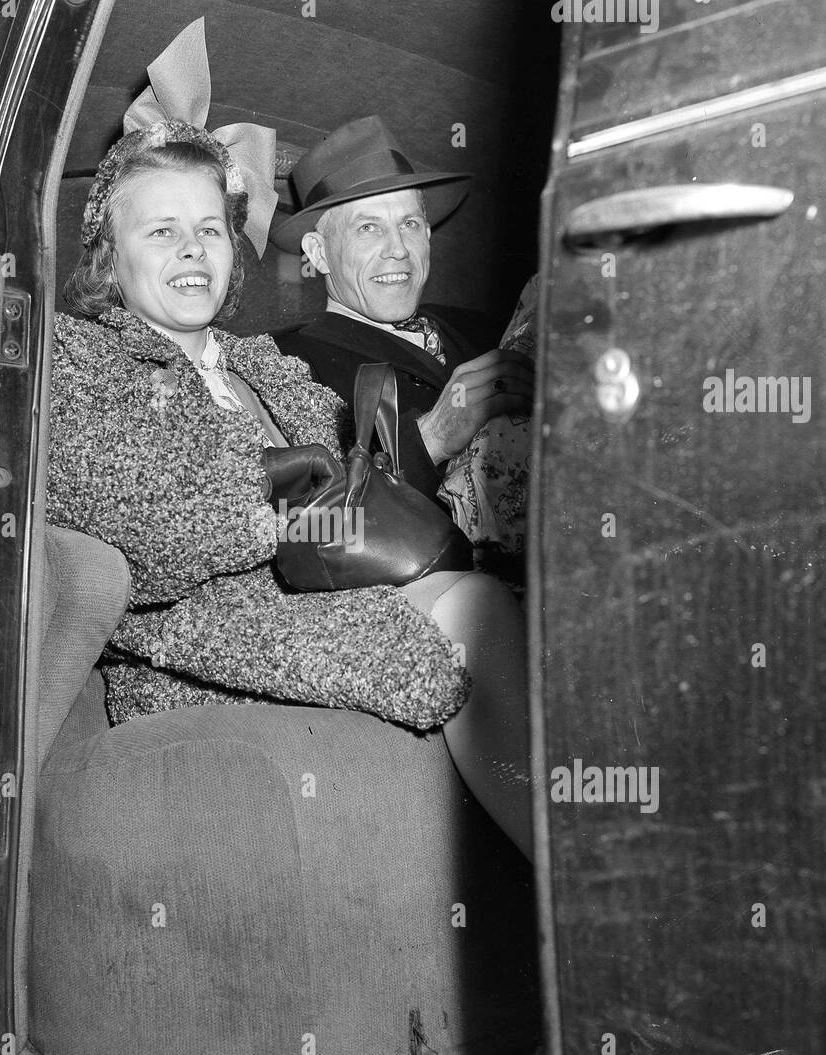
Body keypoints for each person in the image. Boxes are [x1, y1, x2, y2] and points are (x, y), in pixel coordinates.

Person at [46, 118, 532, 857]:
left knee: (487, 606)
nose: (190, 249)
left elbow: (360, 497)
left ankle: (564, 864)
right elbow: (135, 522)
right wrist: (294, 503)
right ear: (110, 257)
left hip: (332, 590)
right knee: (470, 620)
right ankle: (573, 880)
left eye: (210, 229)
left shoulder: (261, 365)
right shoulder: (79, 360)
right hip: (206, 632)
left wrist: (333, 497)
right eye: (161, 232)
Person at [270, 116, 534, 508]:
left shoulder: (490, 327)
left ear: (427, 234)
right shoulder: (283, 365)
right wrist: (430, 438)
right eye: (368, 228)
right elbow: (304, 528)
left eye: (409, 223)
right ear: (318, 252)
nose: (398, 248)